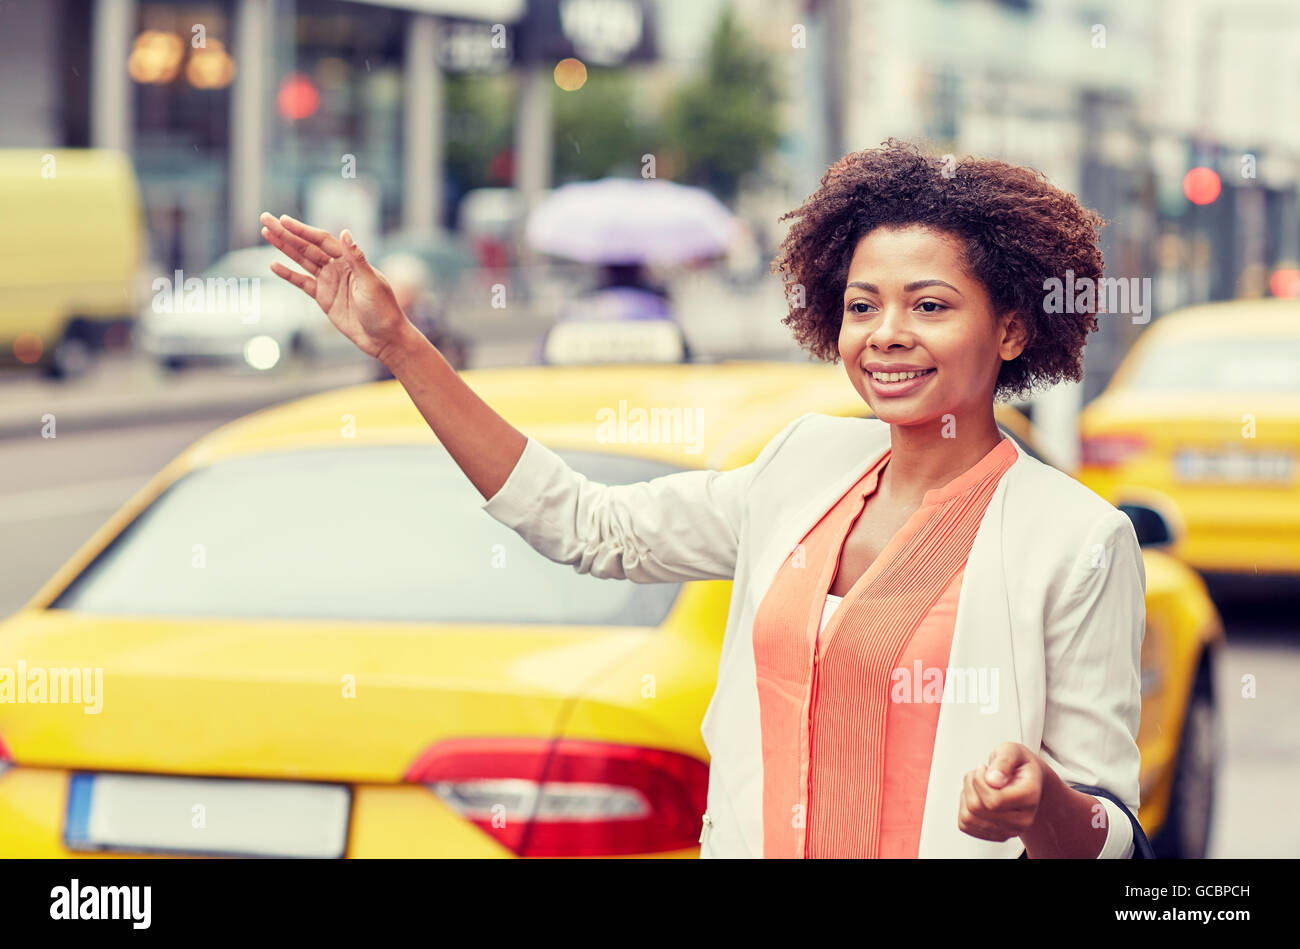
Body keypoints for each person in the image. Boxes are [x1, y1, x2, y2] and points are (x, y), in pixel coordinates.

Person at [257, 137, 1143, 859]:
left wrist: (1039, 806)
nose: (887, 335)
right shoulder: (805, 461)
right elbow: (587, 526)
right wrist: (404, 347)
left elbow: (1111, 834)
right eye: (862, 305)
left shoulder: (1075, 539)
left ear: (1014, 328)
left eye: (931, 305)